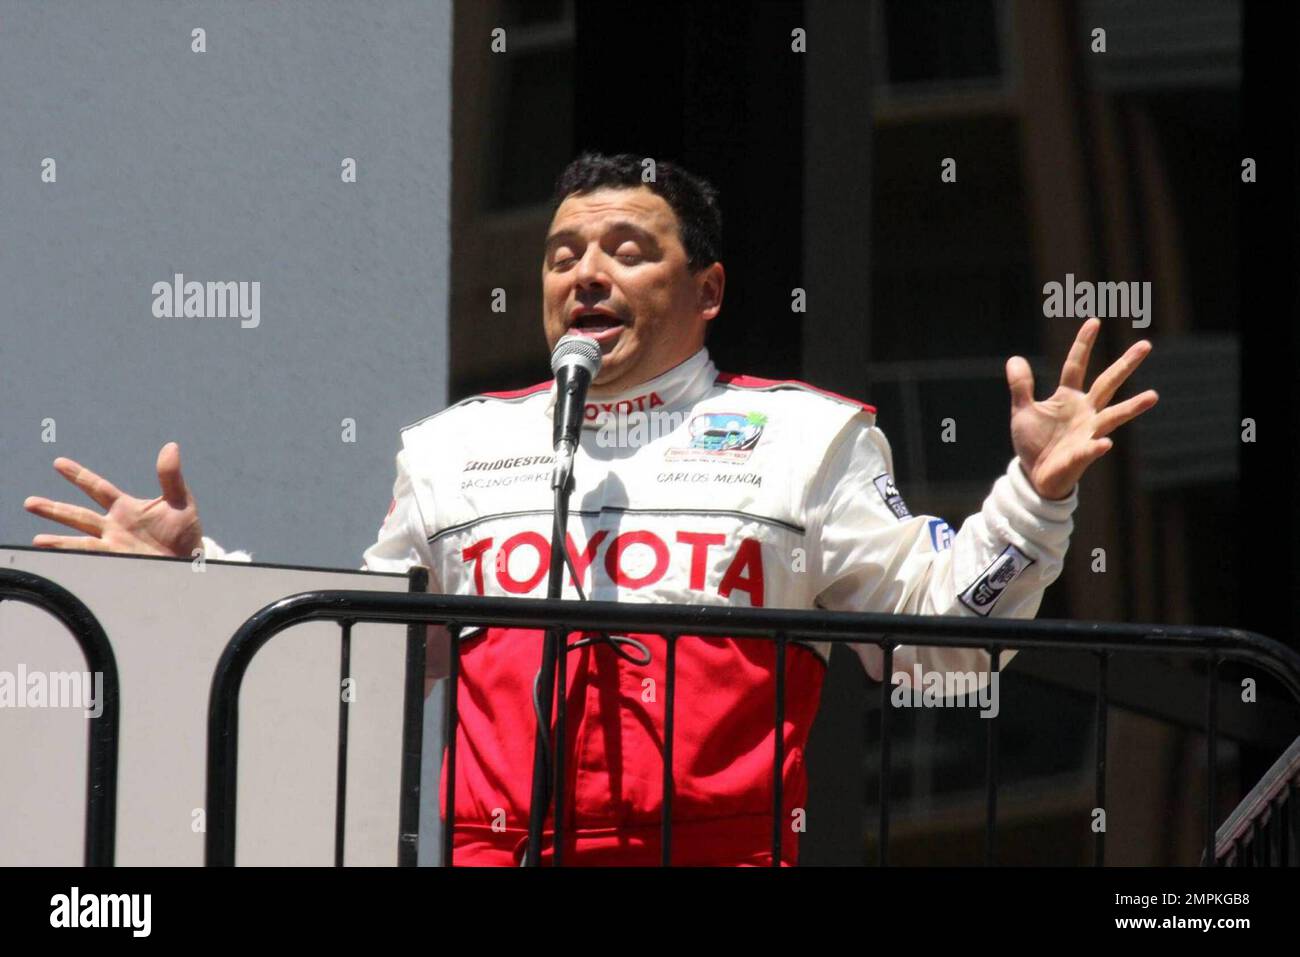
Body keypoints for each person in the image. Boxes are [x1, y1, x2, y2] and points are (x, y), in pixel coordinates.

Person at [23, 153, 1158, 866]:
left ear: (706, 290)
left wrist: (1034, 496)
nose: (585, 272)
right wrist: (197, 577)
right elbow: (359, 665)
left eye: (626, 248)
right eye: (564, 252)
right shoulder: (454, 448)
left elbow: (938, 660)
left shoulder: (808, 436)